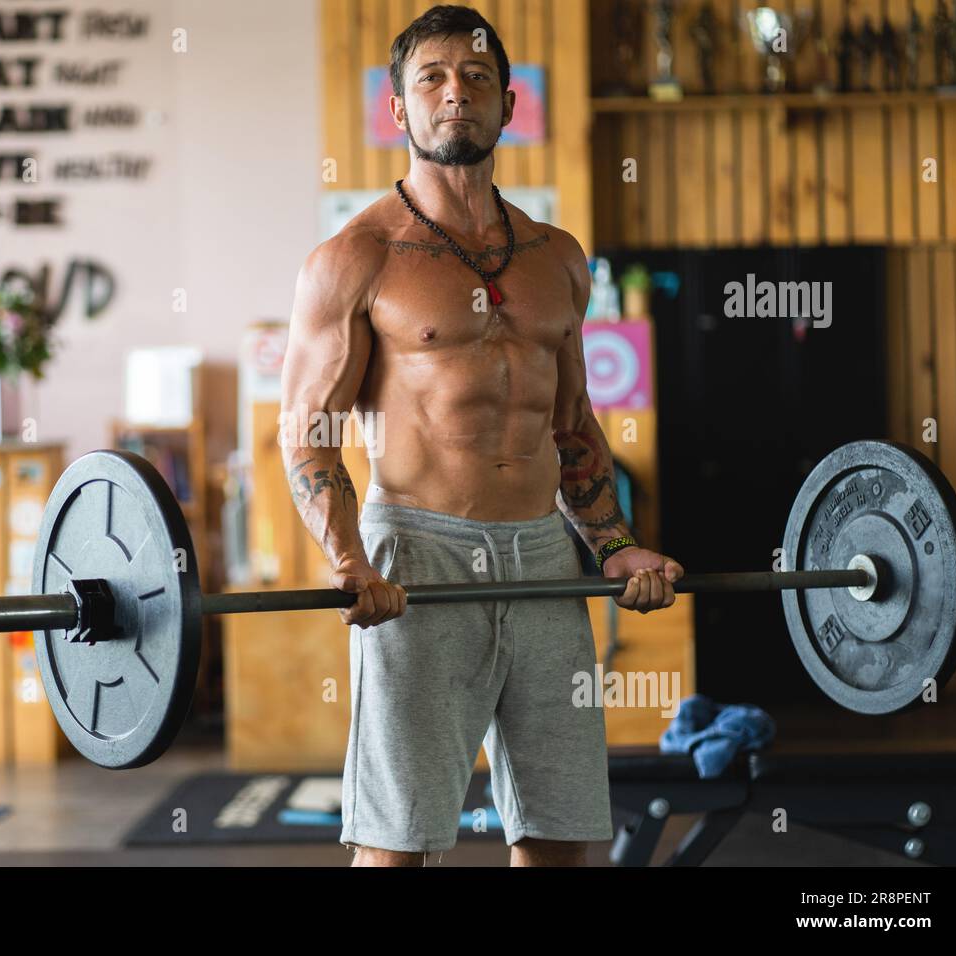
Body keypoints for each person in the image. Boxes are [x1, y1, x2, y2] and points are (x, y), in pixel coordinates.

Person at [280, 4, 683, 867]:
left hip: (542, 557)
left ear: (508, 104)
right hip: (418, 557)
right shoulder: (356, 258)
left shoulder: (558, 258)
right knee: (398, 847)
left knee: (565, 836)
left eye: (476, 77)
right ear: (399, 111)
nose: (454, 92)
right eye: (431, 78)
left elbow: (572, 424)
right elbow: (309, 430)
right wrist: (350, 559)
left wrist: (612, 546)